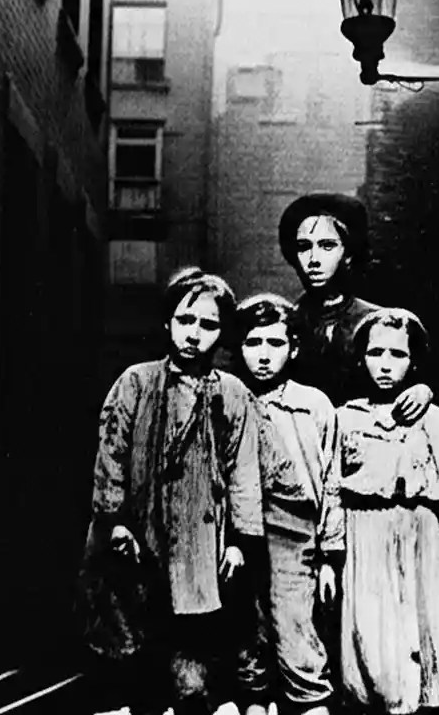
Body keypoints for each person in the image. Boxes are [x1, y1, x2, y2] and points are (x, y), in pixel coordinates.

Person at [76, 267, 265, 715]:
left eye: (208, 324)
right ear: (167, 322)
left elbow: (243, 470)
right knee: (133, 625)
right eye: (185, 320)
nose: (194, 334)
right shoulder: (136, 382)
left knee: (192, 642)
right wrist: (114, 521)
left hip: (200, 534)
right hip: (141, 528)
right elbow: (111, 456)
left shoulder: (233, 394)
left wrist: (239, 541)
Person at [336, 308, 439, 715]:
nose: (386, 364)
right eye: (376, 353)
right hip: (363, 535)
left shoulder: (433, 418)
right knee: (370, 646)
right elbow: (331, 485)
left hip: (418, 536)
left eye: (397, 354)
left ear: (413, 361)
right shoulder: (344, 418)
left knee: (415, 640)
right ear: (361, 359)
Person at [231, 293, 344, 715]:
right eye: (253, 343)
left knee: (297, 629)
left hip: (297, 535)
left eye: (275, 343)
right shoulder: (229, 399)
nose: (264, 355)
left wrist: (330, 553)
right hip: (240, 532)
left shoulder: (314, 405)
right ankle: (254, 701)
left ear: (294, 348)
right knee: (247, 629)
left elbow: (332, 481)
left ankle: (311, 701)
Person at [277, 193, 433, 423]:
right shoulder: (285, 324)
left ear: (348, 253)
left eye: (327, 246)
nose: (313, 259)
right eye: (303, 247)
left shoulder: (378, 322)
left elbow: (413, 372)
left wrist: (422, 390)